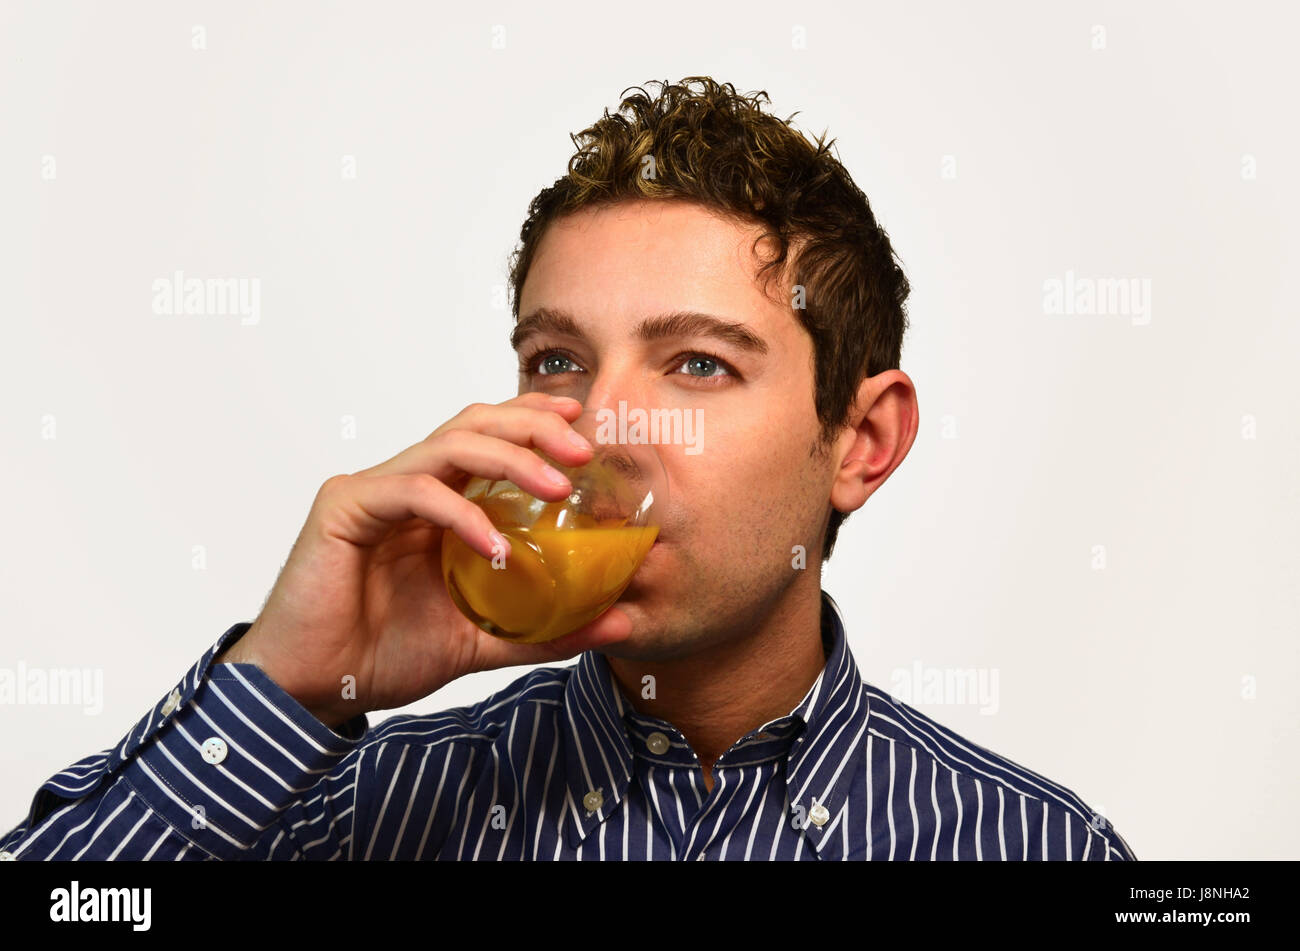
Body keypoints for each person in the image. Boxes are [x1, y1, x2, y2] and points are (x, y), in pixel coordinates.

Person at [0, 76, 1135, 861]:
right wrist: (287, 682)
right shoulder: (343, 811)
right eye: (557, 360)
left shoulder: (1031, 845)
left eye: (695, 362)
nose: (595, 427)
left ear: (862, 441)